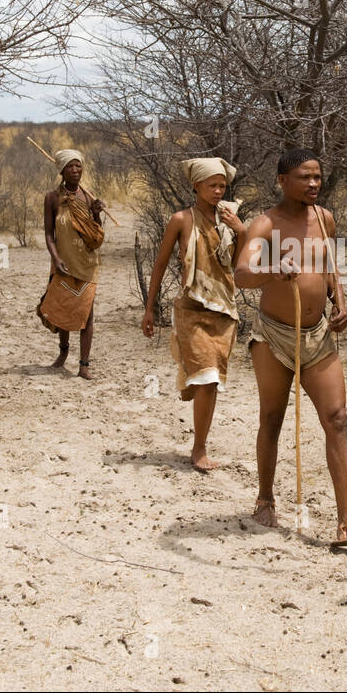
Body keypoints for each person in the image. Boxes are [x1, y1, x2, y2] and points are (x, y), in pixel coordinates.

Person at [234, 148, 347, 547]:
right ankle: (265, 499)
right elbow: (242, 274)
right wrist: (273, 270)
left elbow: (329, 264)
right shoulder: (265, 224)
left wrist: (340, 300)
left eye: (317, 177)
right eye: (304, 177)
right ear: (282, 180)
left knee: (336, 418)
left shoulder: (324, 218)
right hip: (273, 335)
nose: (313, 184)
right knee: (272, 416)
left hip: (318, 334)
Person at [142, 157, 247, 472]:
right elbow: (160, 264)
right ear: (196, 186)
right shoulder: (181, 220)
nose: (218, 191)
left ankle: (200, 444)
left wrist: (241, 232)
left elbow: (242, 268)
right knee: (206, 376)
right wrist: (150, 308)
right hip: (191, 309)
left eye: (222, 185)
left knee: (212, 382)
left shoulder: (230, 219)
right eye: (212, 185)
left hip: (224, 310)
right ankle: (199, 448)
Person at [37, 150, 105, 378]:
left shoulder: (88, 198)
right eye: (70, 167)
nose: (75, 171)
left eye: (78, 166)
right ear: (62, 171)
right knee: (64, 308)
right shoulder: (52, 198)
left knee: (87, 313)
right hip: (63, 262)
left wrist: (96, 215)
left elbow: (96, 237)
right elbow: (49, 234)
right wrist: (56, 259)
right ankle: (63, 353)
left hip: (87, 264)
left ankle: (84, 365)